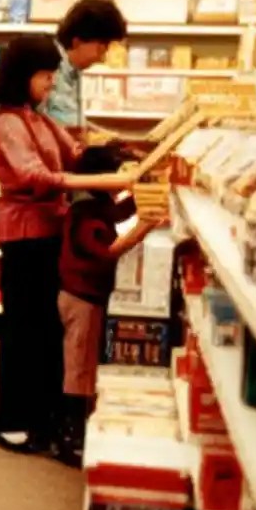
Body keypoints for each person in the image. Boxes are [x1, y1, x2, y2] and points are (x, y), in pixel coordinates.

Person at [0, 35, 135, 454]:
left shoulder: (37, 118)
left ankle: (41, 417)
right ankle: (11, 421)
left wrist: (126, 156)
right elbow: (37, 177)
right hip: (25, 233)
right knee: (23, 327)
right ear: (23, 75)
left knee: (47, 328)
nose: (52, 82)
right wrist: (103, 182)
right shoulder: (7, 121)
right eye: (45, 74)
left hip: (52, 229)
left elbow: (75, 154)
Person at [55, 146, 162, 467]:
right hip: (81, 299)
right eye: (120, 175)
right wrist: (145, 226)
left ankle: (76, 429)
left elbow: (119, 214)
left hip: (84, 296)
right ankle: (70, 436)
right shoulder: (86, 214)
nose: (124, 181)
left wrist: (149, 192)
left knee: (82, 363)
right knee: (79, 368)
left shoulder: (96, 205)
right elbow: (106, 252)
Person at [43, 0, 129, 129]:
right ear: (77, 41)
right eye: (101, 49)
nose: (102, 59)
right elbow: (58, 125)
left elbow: (72, 120)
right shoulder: (47, 66)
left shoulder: (72, 71)